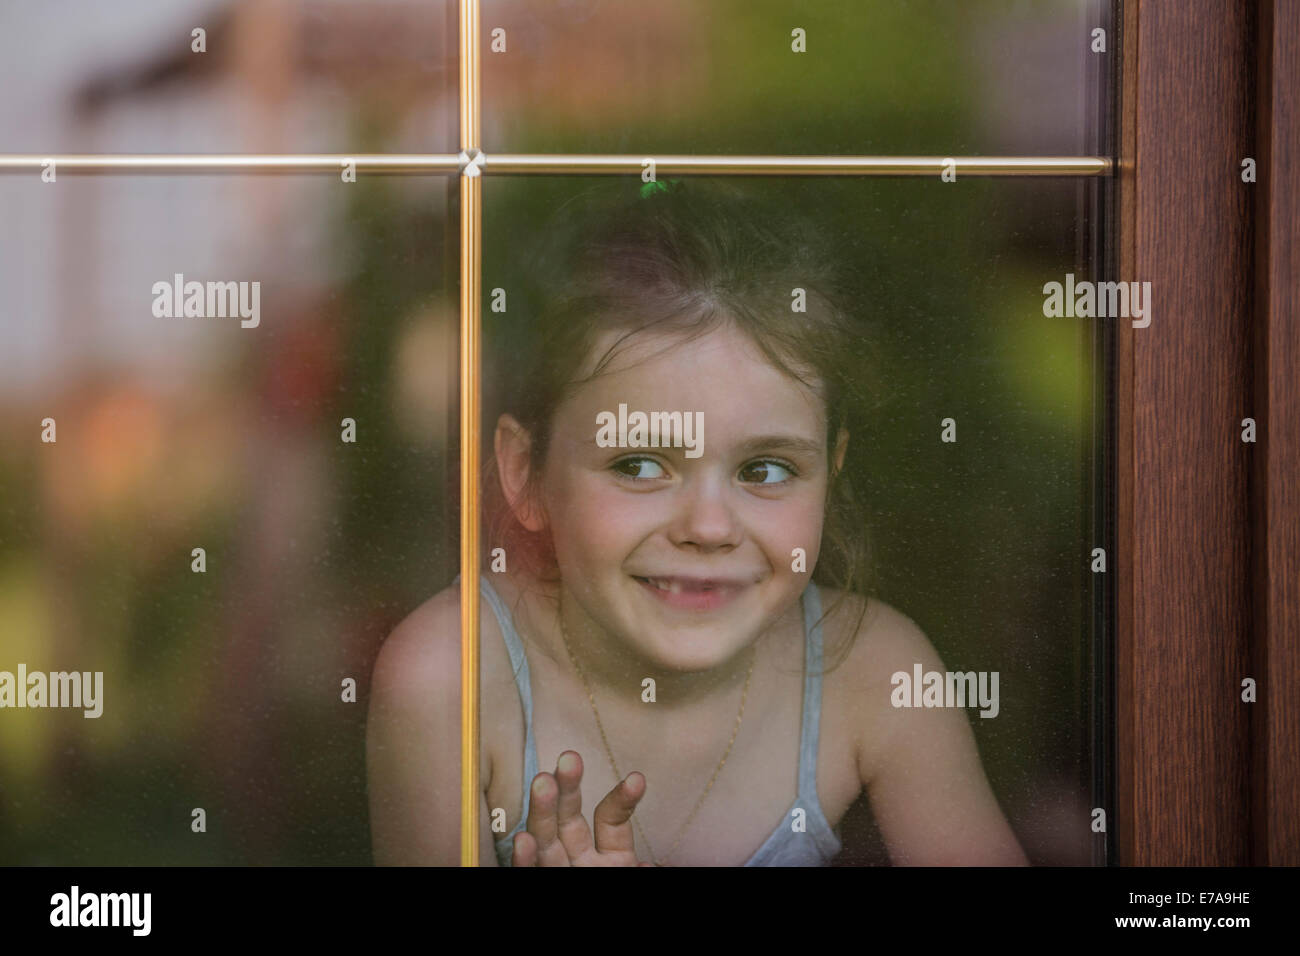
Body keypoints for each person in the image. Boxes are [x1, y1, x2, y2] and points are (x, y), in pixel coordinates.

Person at [367, 180, 1028, 866]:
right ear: (524, 473)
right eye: (639, 464)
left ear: (832, 470)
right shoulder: (451, 682)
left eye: (765, 471)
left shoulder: (874, 672)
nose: (708, 528)